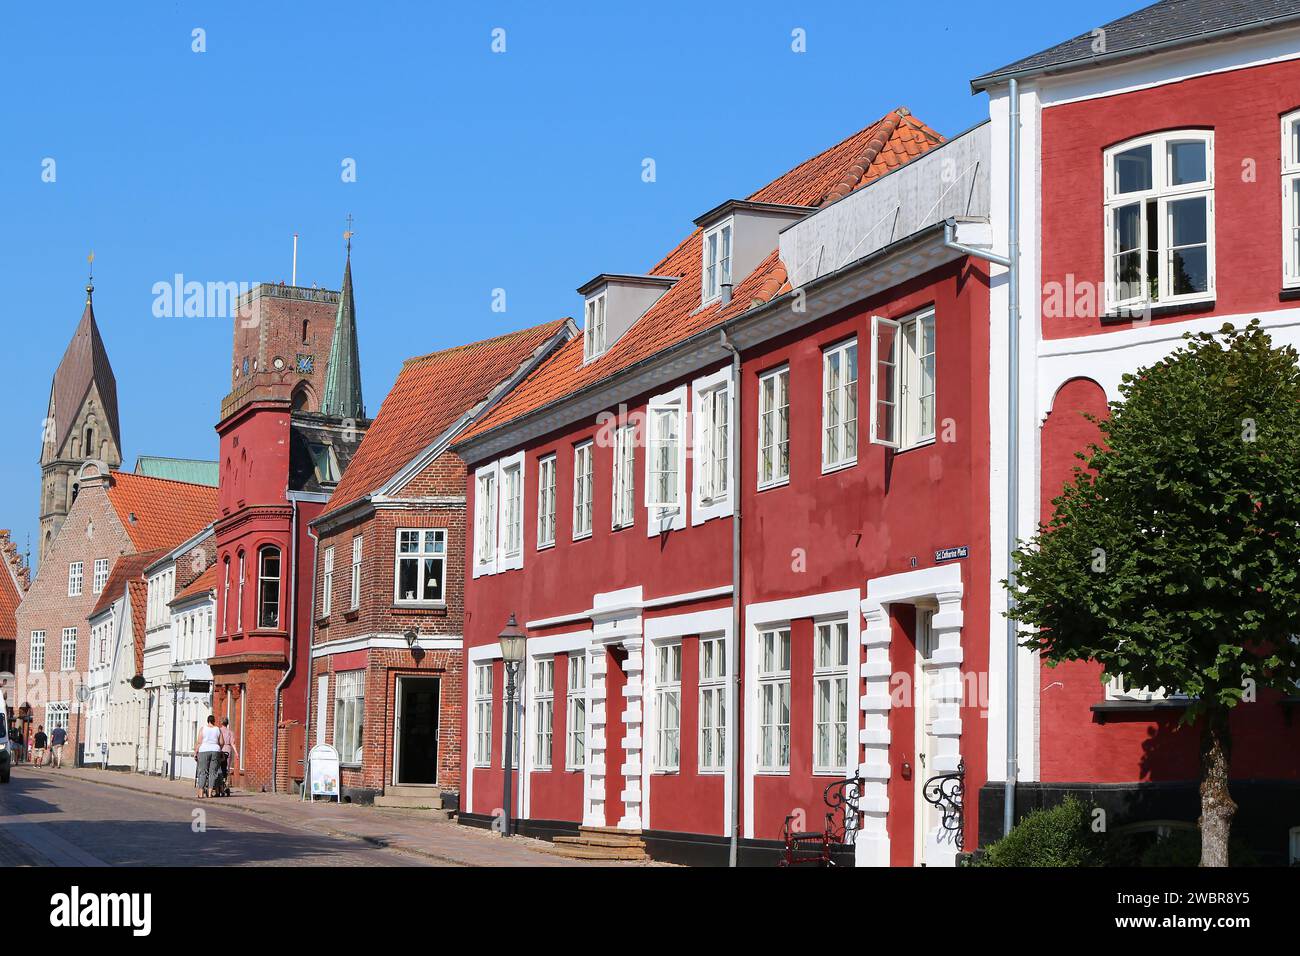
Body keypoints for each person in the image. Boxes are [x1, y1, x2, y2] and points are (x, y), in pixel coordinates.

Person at [193, 715, 223, 798]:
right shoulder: (218, 729)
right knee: (212, 773)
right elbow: (221, 742)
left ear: (207, 721)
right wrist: (218, 748)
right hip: (215, 750)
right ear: (214, 721)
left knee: (202, 772)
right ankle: (210, 794)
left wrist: (196, 753)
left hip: (204, 750)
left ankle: (201, 793)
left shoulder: (203, 729)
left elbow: (199, 742)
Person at [217, 718, 238, 794]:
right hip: (228, 750)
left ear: (221, 723)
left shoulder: (218, 730)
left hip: (220, 750)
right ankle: (226, 784)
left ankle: (219, 785)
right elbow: (233, 743)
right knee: (226, 769)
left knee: (218, 768)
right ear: (227, 723)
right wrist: (236, 753)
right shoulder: (230, 732)